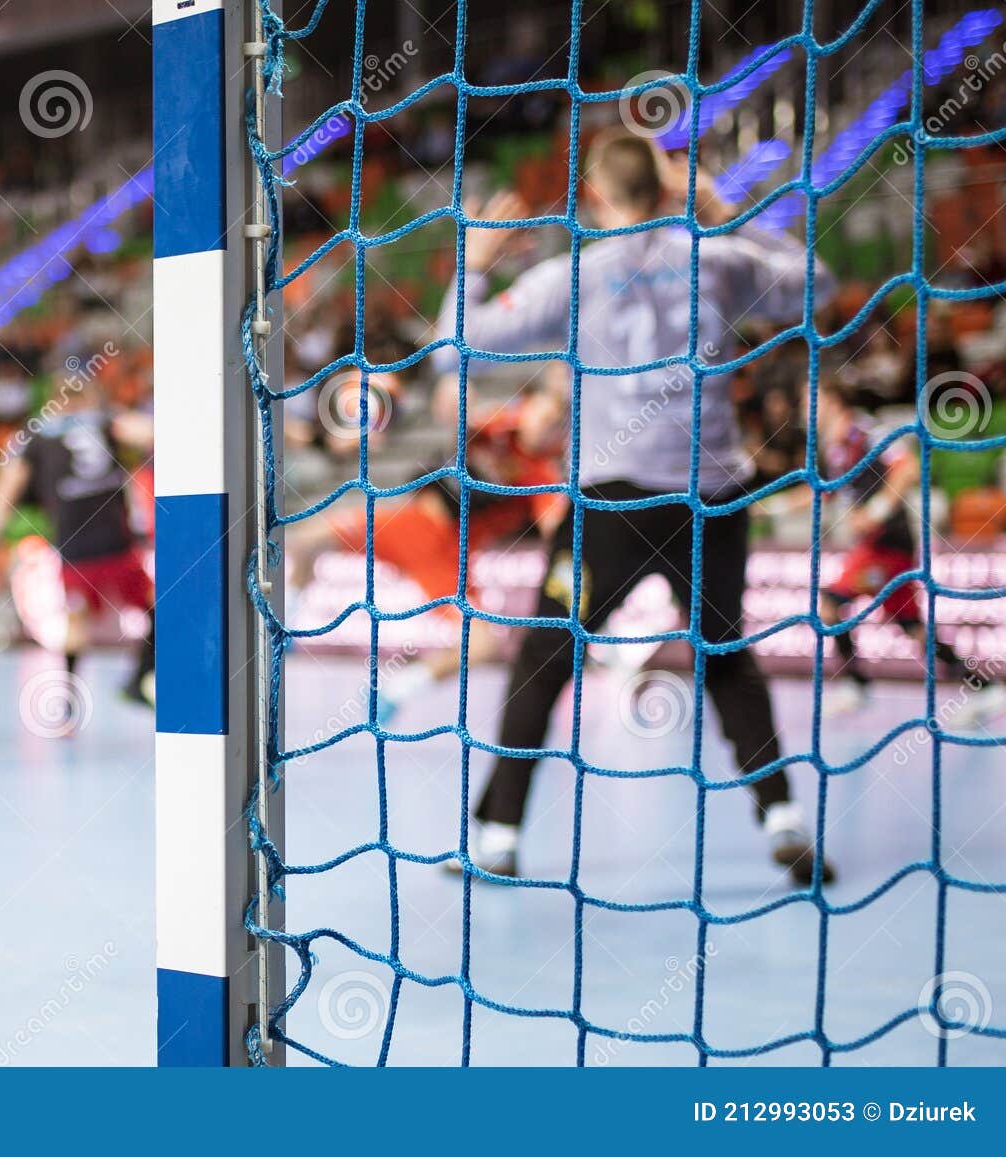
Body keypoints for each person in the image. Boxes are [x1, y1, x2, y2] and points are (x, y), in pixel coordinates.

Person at [432, 131, 838, 885]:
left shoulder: (575, 275)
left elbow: (457, 351)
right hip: (712, 497)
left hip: (613, 503)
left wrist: (476, 264)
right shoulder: (716, 260)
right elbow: (817, 285)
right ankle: (783, 817)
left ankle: (495, 837)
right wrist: (731, 216)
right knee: (725, 655)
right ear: (671, 189)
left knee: (546, 660)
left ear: (595, 196)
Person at [285, 387, 566, 728]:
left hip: (448, 554)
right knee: (305, 540)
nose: (542, 424)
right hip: (412, 520)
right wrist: (454, 390)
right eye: (539, 413)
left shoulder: (542, 477)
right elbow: (453, 409)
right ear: (528, 408)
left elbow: (554, 523)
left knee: (482, 646)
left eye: (553, 421)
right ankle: (286, 625)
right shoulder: (494, 427)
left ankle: (397, 689)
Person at [806, 378, 1004, 722]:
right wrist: (766, 506)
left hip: (887, 546)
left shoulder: (864, 432)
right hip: (873, 546)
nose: (806, 409)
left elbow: (908, 467)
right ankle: (986, 688)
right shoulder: (832, 447)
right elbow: (823, 493)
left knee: (830, 604)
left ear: (834, 399)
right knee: (913, 628)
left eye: (814, 398)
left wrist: (877, 511)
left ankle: (856, 685)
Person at [0, 386, 155, 711]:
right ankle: (138, 677)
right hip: (118, 544)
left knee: (77, 623)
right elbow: (150, 432)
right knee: (152, 607)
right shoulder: (105, 421)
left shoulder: (33, 438)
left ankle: (67, 703)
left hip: (77, 548)